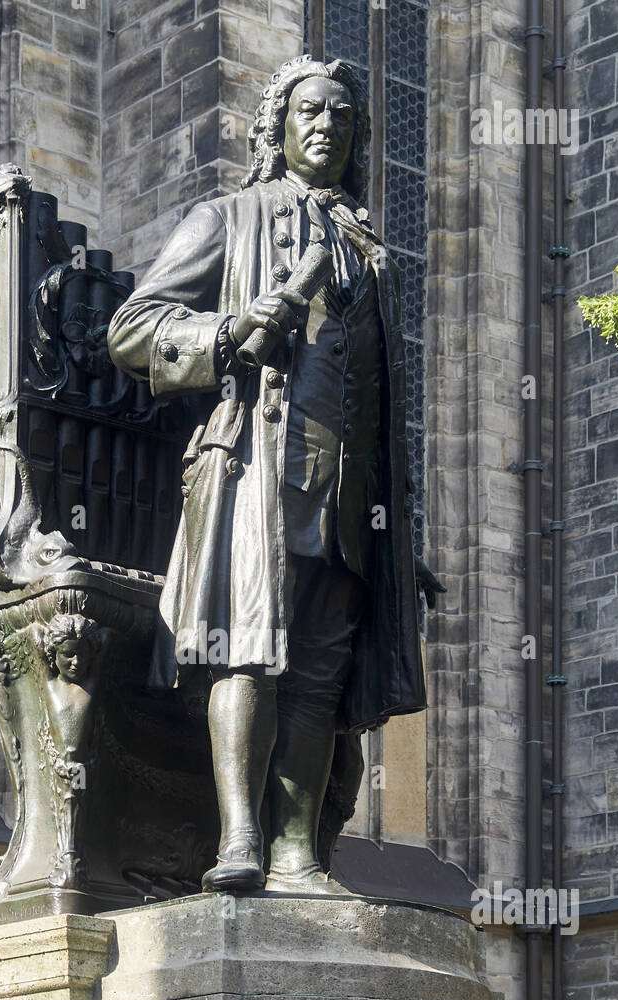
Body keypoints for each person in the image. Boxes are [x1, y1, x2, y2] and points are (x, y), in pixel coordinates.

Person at [108, 54, 436, 895]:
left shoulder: (369, 251)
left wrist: (399, 531)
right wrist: (231, 328)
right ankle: (241, 841)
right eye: (310, 112)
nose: (328, 125)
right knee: (246, 650)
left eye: (342, 115)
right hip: (257, 466)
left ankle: (298, 854)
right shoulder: (228, 217)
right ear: (278, 127)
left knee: (322, 672)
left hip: (349, 497)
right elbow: (134, 328)